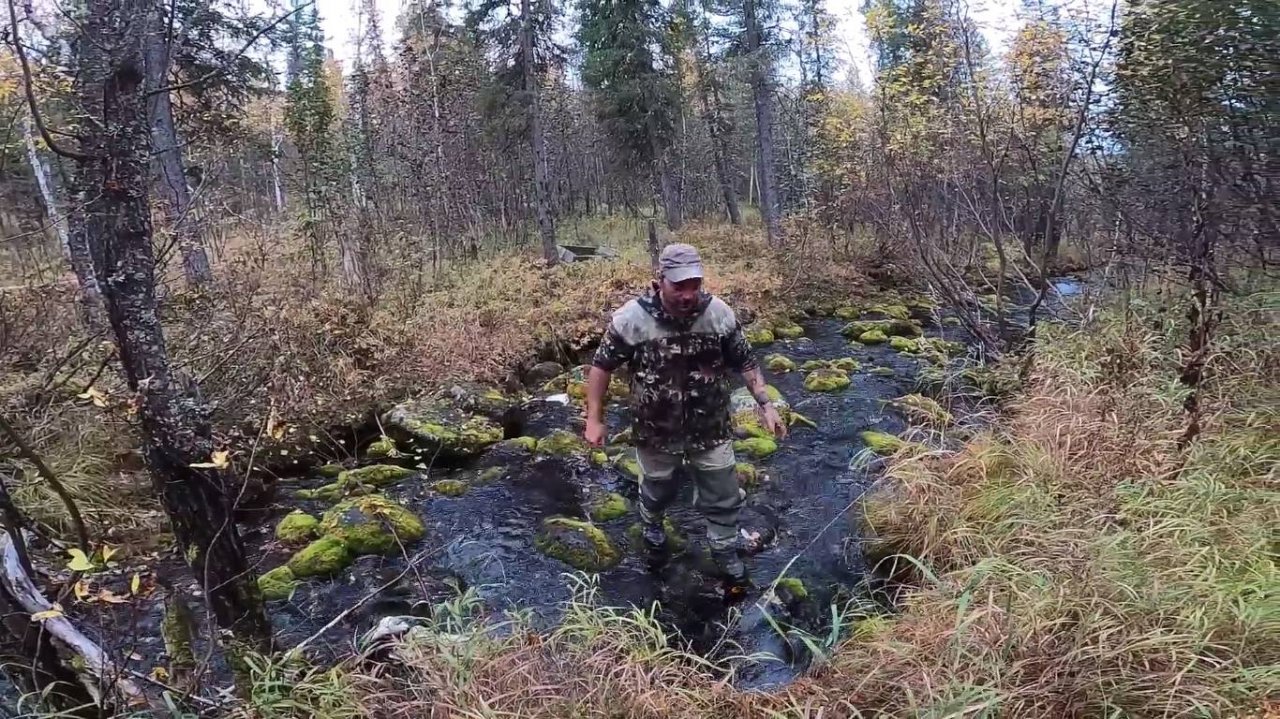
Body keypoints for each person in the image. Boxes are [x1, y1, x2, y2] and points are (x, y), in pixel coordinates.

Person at [584, 243, 787, 592]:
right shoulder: (632, 319)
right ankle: (652, 525)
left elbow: (746, 362)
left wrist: (766, 405)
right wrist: (594, 418)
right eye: (679, 286)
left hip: (711, 428)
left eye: (694, 285)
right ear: (660, 280)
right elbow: (601, 367)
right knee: (657, 489)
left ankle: (724, 551)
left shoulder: (718, 314)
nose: (688, 294)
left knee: (723, 494)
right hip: (655, 430)